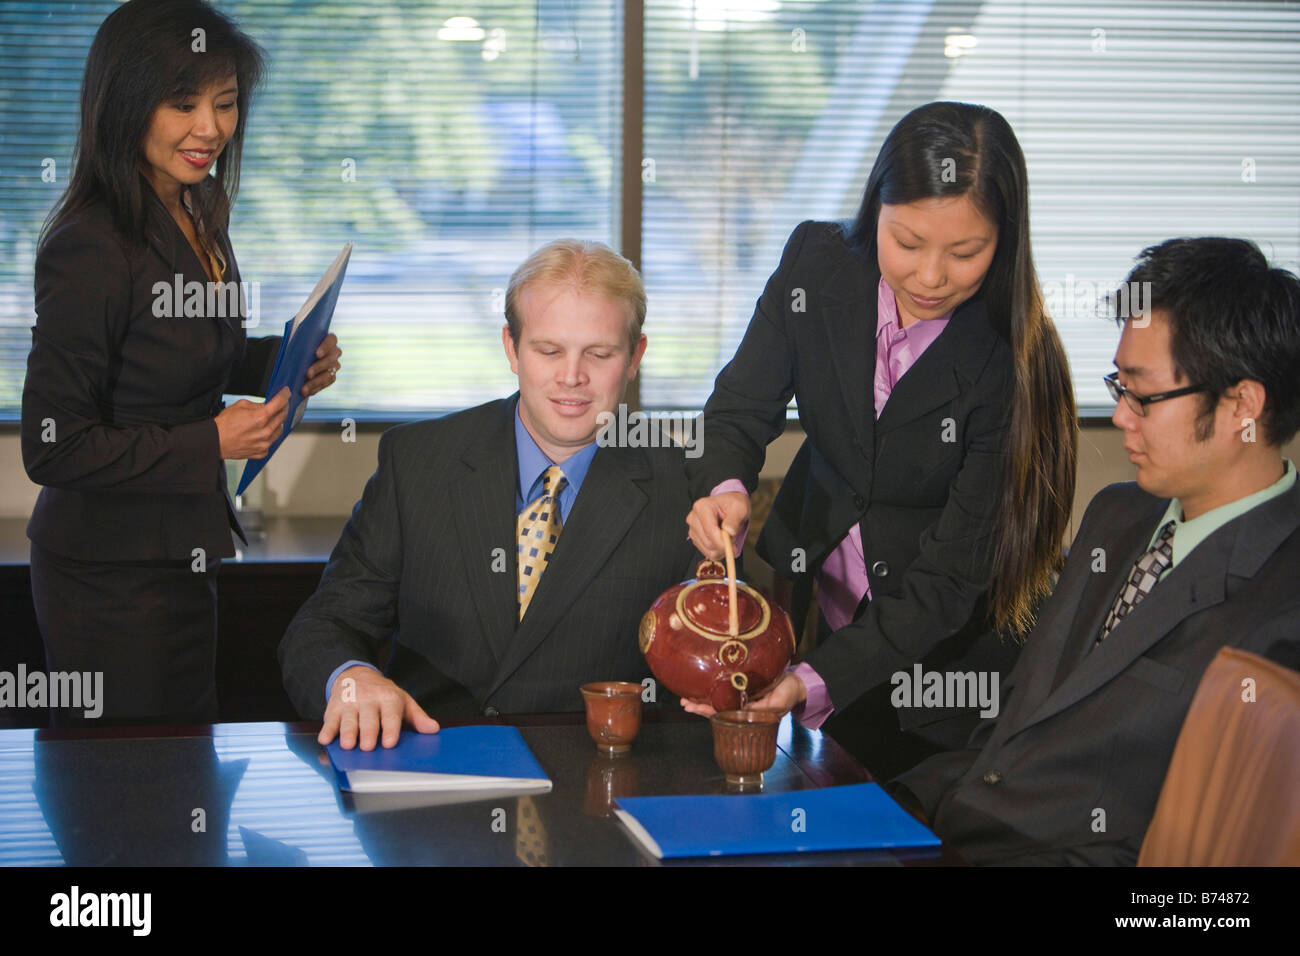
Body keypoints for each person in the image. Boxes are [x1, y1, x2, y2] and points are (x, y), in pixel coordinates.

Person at [684, 102, 1077, 779]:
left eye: (965, 252)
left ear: (1005, 239)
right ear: (875, 211)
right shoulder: (818, 264)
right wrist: (724, 486)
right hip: (826, 591)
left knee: (907, 814)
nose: (930, 277)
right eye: (907, 242)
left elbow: (950, 582)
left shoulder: (1012, 361)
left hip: (950, 654)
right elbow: (740, 407)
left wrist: (811, 681)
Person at [891, 236, 1300, 865]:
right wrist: (896, 805)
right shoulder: (1118, 513)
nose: (1121, 418)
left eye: (1143, 394)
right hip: (952, 819)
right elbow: (1017, 727)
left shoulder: (1283, 603)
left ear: (1241, 405)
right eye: (1118, 384)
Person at [20, 0, 341, 725]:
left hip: (182, 551)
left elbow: (182, 358)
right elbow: (54, 445)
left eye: (225, 104)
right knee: (131, 800)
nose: (211, 128)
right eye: (183, 104)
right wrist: (213, 442)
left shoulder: (197, 211)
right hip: (107, 577)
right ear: (125, 105)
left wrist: (283, 364)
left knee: (182, 781)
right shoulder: (90, 244)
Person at [279, 239, 700, 750]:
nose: (572, 377)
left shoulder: (685, 487)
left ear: (635, 357)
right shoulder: (417, 462)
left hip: (599, 788)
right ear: (510, 347)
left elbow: (715, 674)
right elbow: (324, 626)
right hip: (432, 780)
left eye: (599, 353)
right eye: (548, 350)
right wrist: (351, 678)